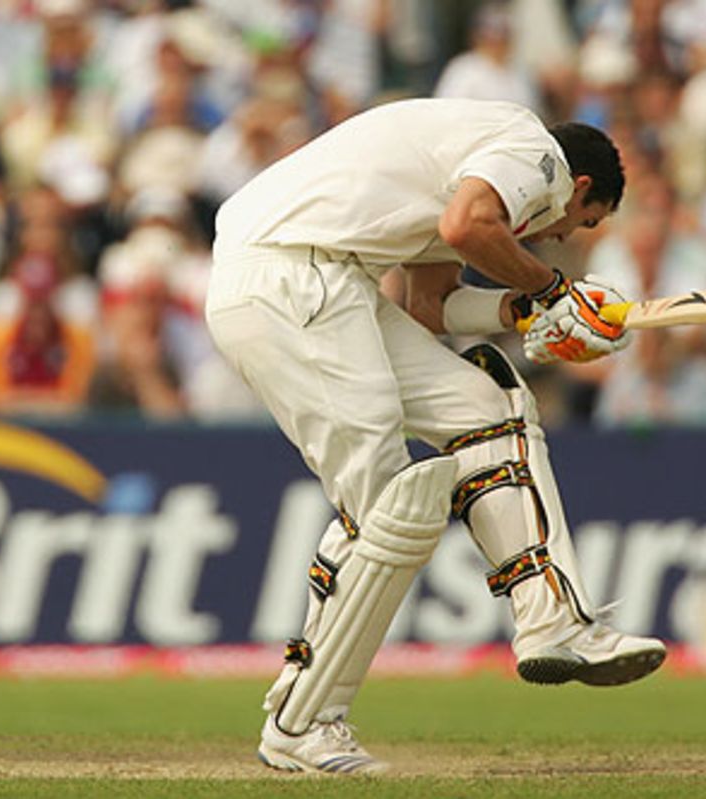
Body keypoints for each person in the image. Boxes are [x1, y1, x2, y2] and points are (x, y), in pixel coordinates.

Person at [206, 97, 667, 774]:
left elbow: (429, 307)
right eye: (581, 222)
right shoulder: (533, 151)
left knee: (486, 409)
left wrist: (531, 311)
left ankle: (554, 622)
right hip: (293, 279)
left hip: (322, 281)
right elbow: (468, 226)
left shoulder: (469, 164)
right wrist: (556, 292)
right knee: (392, 506)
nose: (559, 236)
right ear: (579, 187)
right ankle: (303, 722)